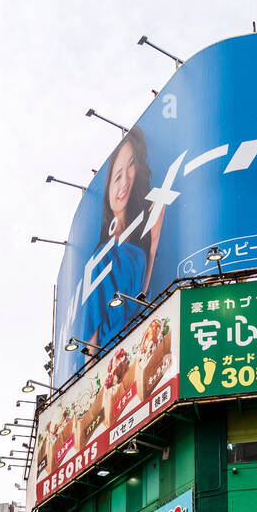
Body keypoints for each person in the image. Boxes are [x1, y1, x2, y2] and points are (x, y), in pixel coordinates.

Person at [82, 126, 164, 357]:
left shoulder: (138, 240)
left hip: (138, 344)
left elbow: (141, 299)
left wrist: (154, 240)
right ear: (108, 186)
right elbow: (90, 340)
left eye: (132, 164)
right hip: (112, 354)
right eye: (117, 176)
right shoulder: (101, 257)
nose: (125, 180)